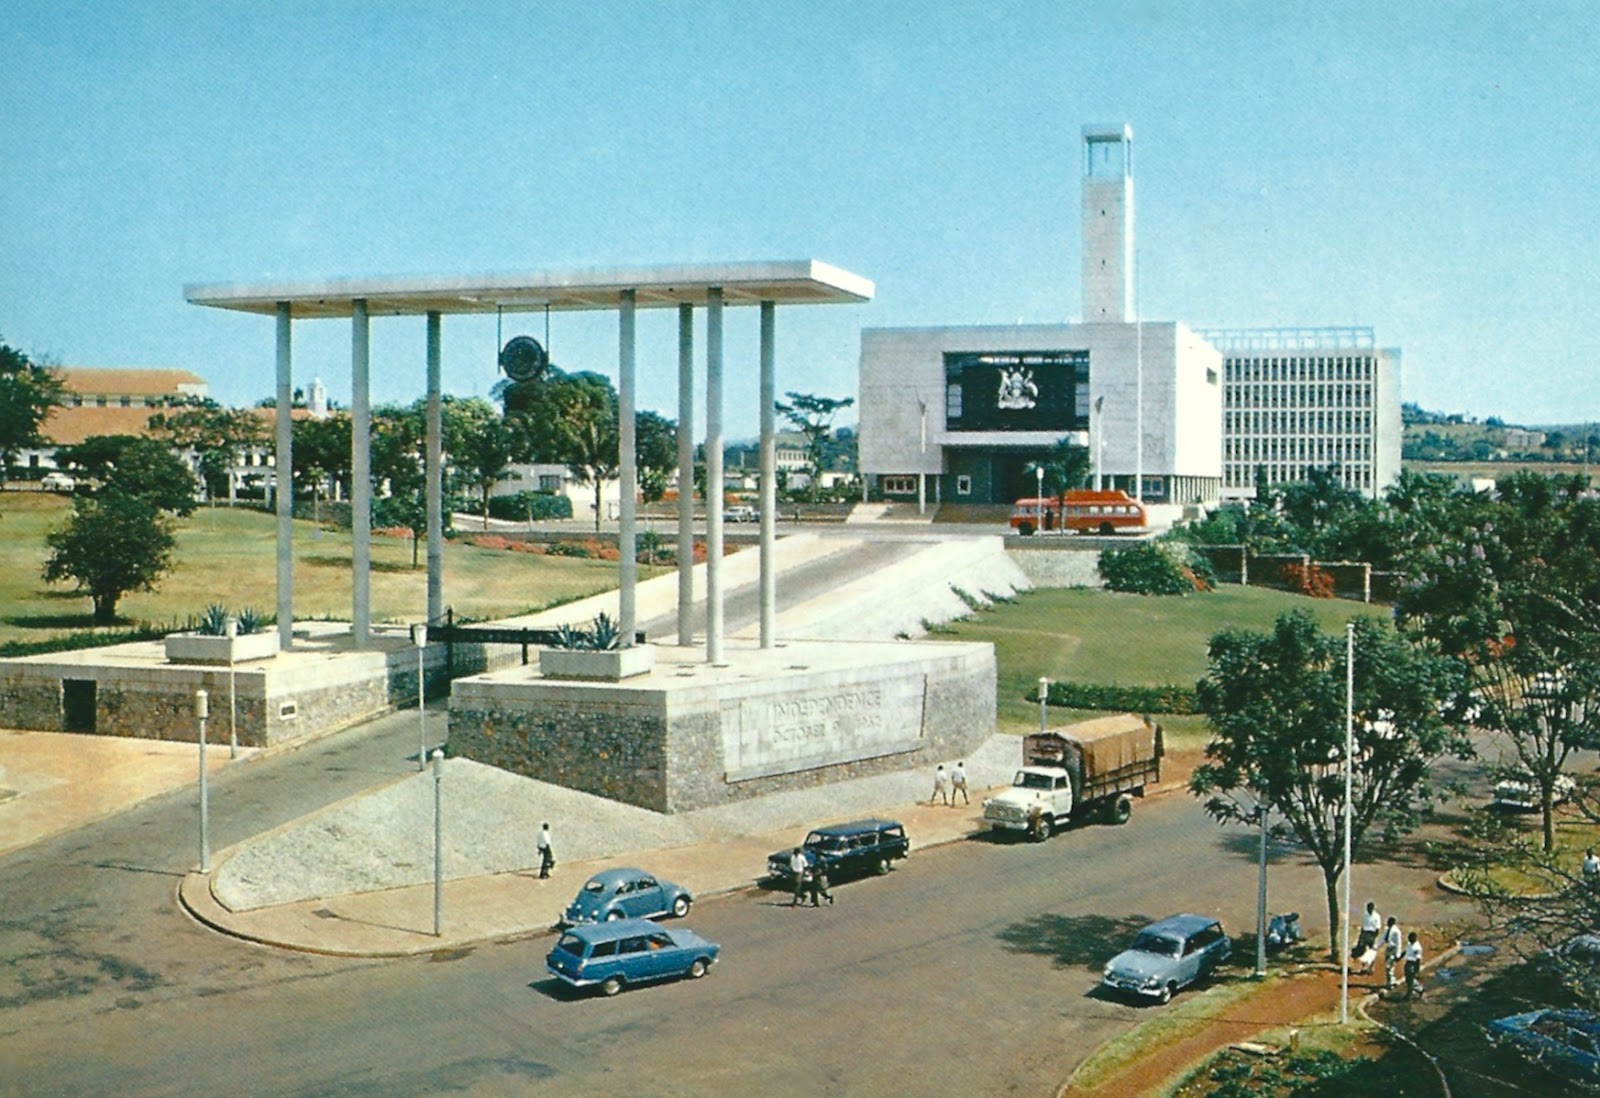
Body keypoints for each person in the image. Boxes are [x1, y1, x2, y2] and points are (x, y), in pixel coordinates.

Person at [1381, 916, 1403, 989]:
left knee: (1388, 966)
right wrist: (1376, 946)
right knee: (1389, 967)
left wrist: (1398, 953)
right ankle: (1392, 981)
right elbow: (1383, 939)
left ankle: (1390, 982)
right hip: (1388, 949)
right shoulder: (1387, 930)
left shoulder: (1396, 931)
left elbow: (1398, 943)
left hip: (1393, 950)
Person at [1403, 931, 1424, 999]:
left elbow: (1418, 959)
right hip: (1407, 963)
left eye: (1410, 938)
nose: (1409, 939)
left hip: (1412, 964)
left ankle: (1408, 995)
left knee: (1410, 980)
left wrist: (1416, 969)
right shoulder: (1409, 944)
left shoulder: (1417, 947)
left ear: (1414, 938)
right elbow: (1405, 951)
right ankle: (1419, 989)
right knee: (1408, 979)